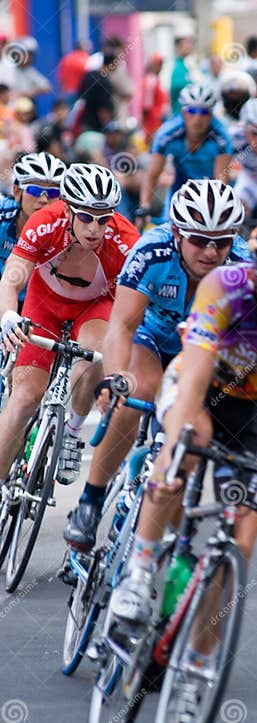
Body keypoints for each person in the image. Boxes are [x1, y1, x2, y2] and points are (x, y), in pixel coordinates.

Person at [108, 215, 257, 658]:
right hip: (198, 388)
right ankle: (139, 569)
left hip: (252, 411)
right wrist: (172, 452)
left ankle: (196, 673)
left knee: (243, 540)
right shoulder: (224, 288)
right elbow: (193, 380)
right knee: (190, 441)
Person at [64, 179, 250, 549]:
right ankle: (91, 500)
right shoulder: (151, 251)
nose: (211, 252)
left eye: (222, 241)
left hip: (199, 349)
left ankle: (163, 525)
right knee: (137, 391)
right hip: (151, 337)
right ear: (178, 233)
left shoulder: (243, 264)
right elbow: (122, 325)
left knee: (192, 428)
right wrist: (116, 380)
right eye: (199, 240)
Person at [0, 164, 139, 486]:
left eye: (103, 219)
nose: (95, 229)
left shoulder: (126, 240)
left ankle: (72, 433)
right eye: (87, 217)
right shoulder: (45, 222)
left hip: (96, 306)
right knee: (23, 399)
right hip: (44, 303)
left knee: (92, 358)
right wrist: (9, 316)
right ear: (69, 210)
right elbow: (12, 278)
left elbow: (130, 311)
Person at [137, 82, 233, 226]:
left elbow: (221, 180)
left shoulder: (221, 137)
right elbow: (153, 174)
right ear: (183, 112)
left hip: (211, 183)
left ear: (212, 114)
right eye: (192, 111)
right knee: (170, 225)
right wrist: (144, 206)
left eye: (204, 112)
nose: (197, 118)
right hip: (181, 183)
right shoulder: (167, 134)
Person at [0, 153, 66, 308]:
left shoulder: (68, 229)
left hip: (38, 305)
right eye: (35, 190)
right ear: (17, 192)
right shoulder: (2, 216)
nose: (44, 200)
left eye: (53, 193)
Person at [77, 49, 116, 132]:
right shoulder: (104, 81)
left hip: (85, 120)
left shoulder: (88, 76)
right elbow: (103, 106)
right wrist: (106, 125)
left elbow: (81, 96)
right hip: (97, 124)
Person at [10, 37, 51, 102]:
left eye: (32, 55)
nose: (30, 58)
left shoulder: (29, 71)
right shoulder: (8, 69)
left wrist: (27, 93)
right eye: (28, 54)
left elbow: (47, 87)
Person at [142, 53, 168, 143]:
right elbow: (146, 106)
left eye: (161, 64)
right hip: (152, 125)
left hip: (158, 123)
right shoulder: (150, 80)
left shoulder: (156, 79)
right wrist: (149, 129)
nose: (161, 67)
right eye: (159, 64)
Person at [58, 40, 90, 105]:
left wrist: (61, 90)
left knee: (68, 112)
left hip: (66, 91)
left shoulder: (67, 58)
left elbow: (61, 76)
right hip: (79, 92)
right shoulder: (86, 59)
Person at [170, 35, 195, 116]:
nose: (190, 47)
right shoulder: (176, 66)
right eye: (186, 44)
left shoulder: (185, 65)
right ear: (179, 47)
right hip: (179, 114)